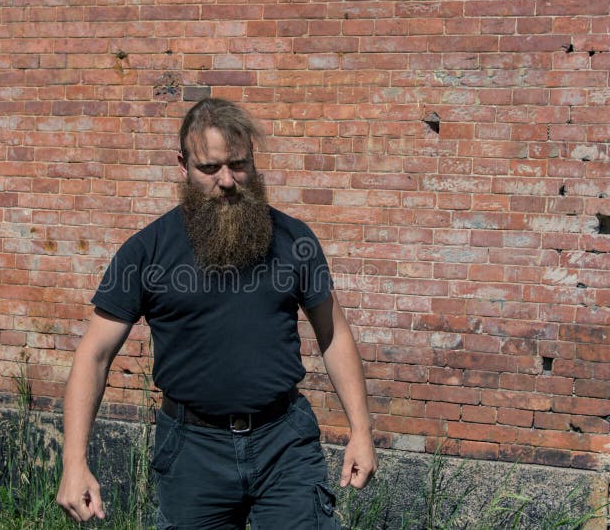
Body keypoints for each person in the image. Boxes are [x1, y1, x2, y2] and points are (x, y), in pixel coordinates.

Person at [56, 98, 376, 529]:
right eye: (210, 168)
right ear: (183, 165)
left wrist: (361, 430)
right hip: (192, 448)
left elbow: (333, 334)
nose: (226, 180)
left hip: (284, 443)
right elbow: (93, 355)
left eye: (238, 165)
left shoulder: (294, 240)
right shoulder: (145, 251)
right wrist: (74, 462)